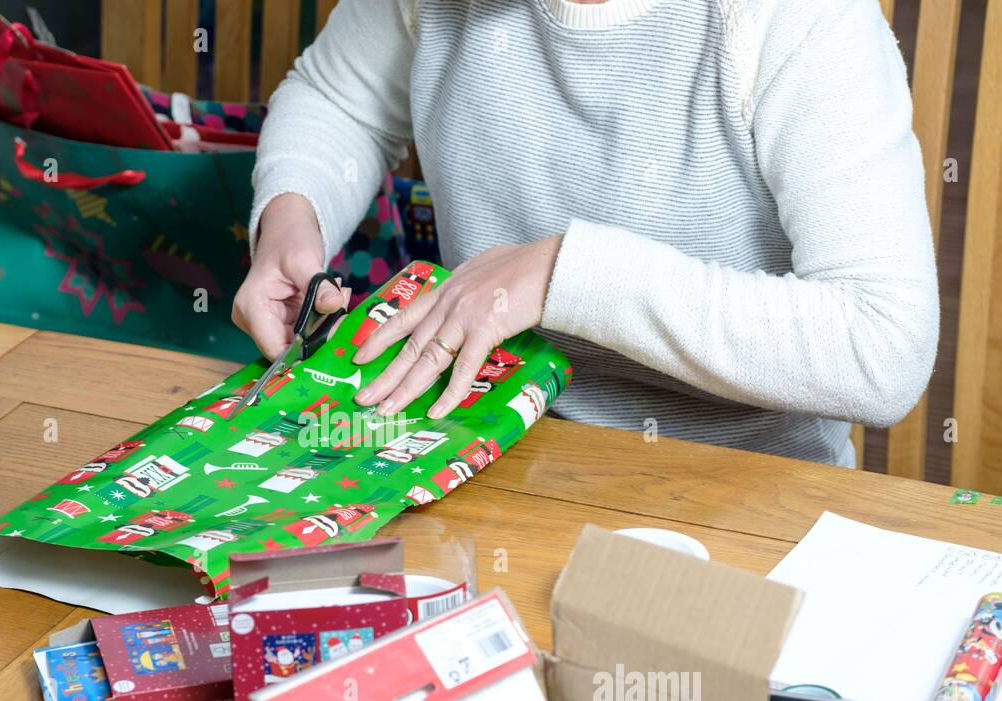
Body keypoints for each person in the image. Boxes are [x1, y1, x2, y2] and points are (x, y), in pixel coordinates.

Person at [229, 0, 939, 467]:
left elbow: (884, 346)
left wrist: (563, 276)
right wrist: (293, 213)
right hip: (477, 456)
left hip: (742, 496)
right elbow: (336, 99)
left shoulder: (797, 19)